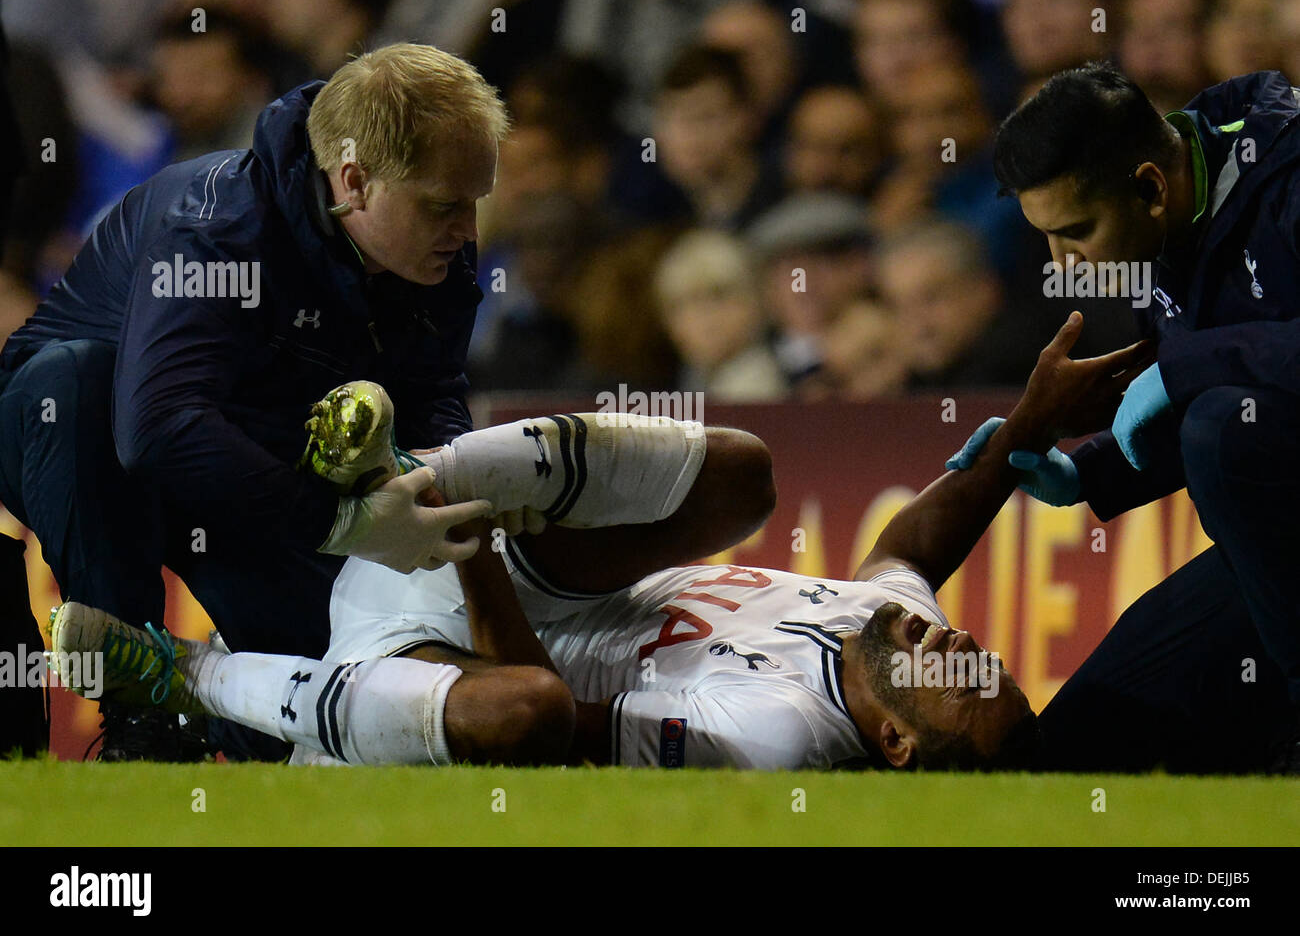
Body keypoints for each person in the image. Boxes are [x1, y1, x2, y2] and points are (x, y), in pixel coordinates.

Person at [55, 314, 1151, 770]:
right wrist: (1024, 426)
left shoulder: (773, 736)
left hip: (445, 655)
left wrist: (468, 553)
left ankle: (188, 672)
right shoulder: (886, 629)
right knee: (744, 475)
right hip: (495, 544)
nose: (948, 634)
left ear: (901, 744)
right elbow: (915, 535)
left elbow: (544, 719)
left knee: (521, 711)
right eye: (977, 648)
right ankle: (395, 478)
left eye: (957, 675)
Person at [0, 43, 507, 759]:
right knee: (75, 380)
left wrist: (434, 482)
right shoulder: (214, 227)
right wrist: (342, 525)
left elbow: (433, 392)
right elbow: (157, 430)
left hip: (254, 461)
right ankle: (136, 708)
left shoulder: (433, 239)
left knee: (362, 694)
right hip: (87, 441)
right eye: (445, 206)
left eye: (474, 203)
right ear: (356, 181)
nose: (465, 230)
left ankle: (201, 703)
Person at [951, 61, 1300, 767]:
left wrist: (1186, 368)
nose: (1064, 262)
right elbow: (1251, 413)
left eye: (1076, 231)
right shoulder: (1169, 227)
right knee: (1073, 749)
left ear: (1149, 186)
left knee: (1220, 430)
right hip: (1277, 555)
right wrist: (1086, 473)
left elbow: (1227, 418)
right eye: (1046, 238)